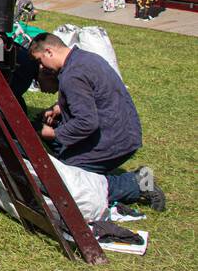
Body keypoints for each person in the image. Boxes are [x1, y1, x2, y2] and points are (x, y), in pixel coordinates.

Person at [27, 32, 164, 209]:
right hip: (124, 130)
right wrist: (59, 107)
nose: (41, 67)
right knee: (65, 159)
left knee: (73, 185)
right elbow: (99, 95)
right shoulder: (86, 58)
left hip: (113, 140)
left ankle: (137, 183)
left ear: (49, 52)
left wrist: (52, 133)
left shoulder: (72, 76)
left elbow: (86, 123)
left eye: (40, 60)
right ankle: (78, 160)